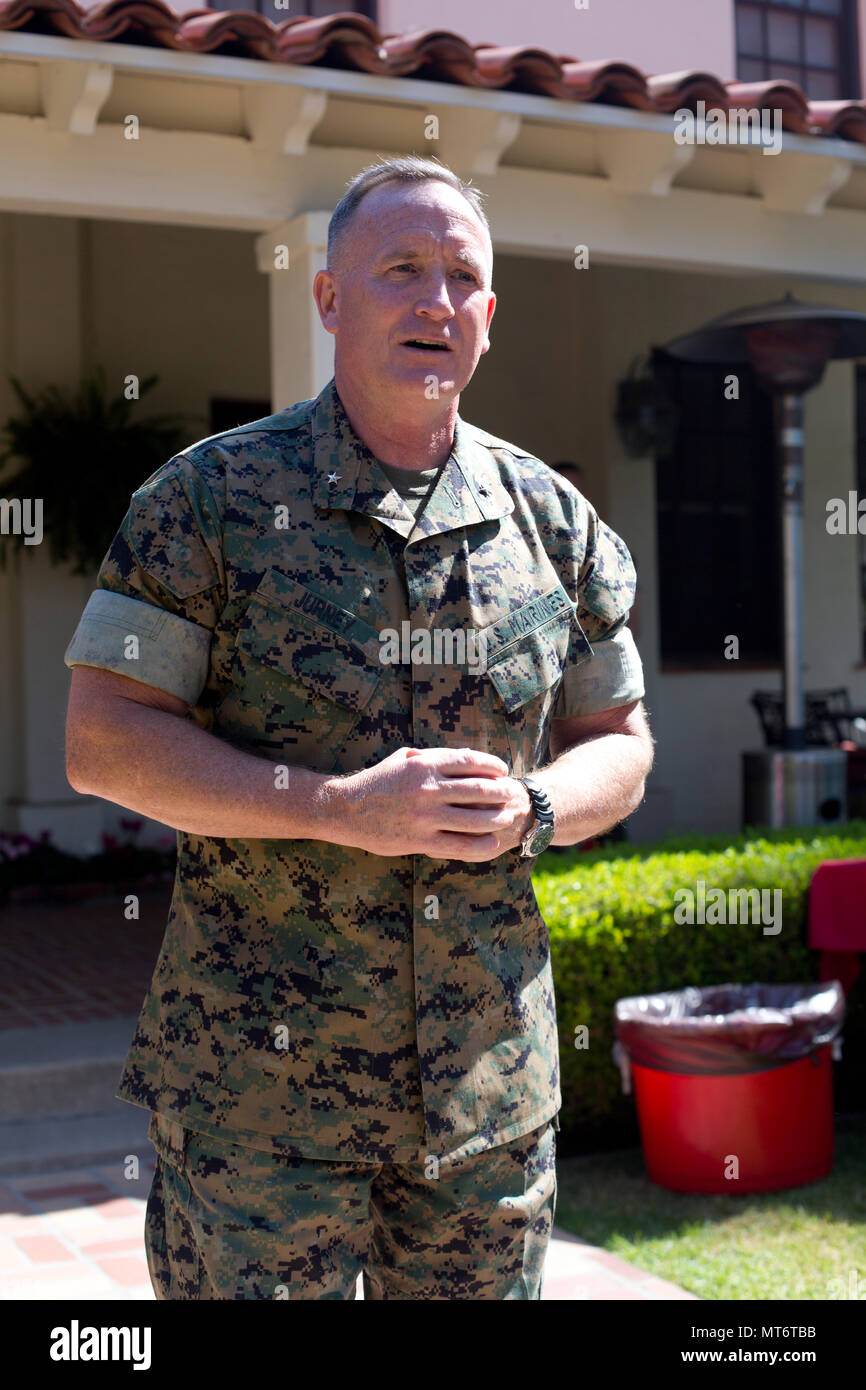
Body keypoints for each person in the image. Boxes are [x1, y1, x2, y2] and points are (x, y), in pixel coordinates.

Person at [63, 155, 654, 1301]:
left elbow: (620, 741)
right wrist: (336, 810)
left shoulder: (554, 523)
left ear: (488, 316)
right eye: (400, 269)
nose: (434, 300)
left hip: (484, 1101)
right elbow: (104, 738)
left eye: (460, 277)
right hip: (258, 1106)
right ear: (330, 297)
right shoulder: (208, 502)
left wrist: (537, 806)